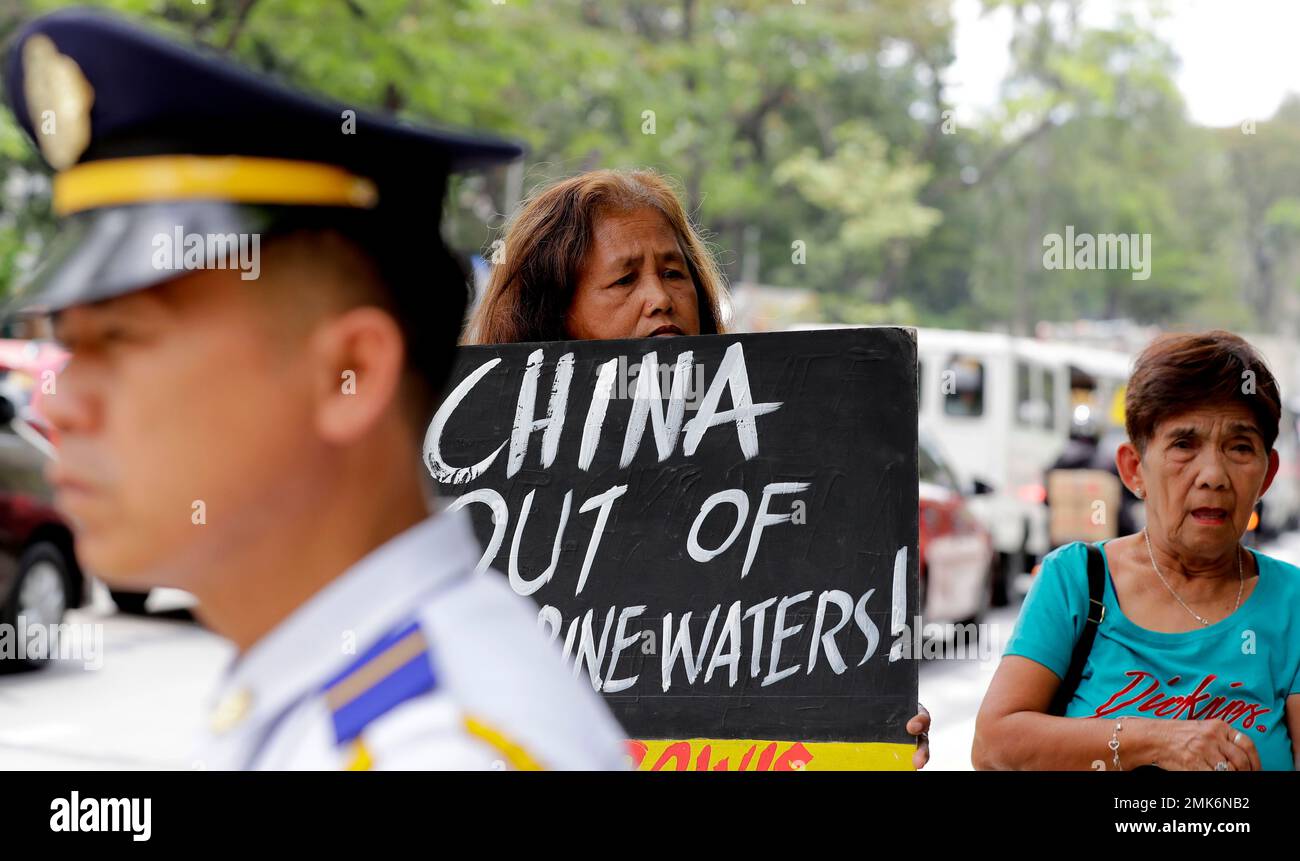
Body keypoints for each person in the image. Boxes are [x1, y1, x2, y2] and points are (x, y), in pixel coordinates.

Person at [3, 9, 627, 770]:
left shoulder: (430, 748)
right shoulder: (344, 685)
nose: (59, 404)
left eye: (121, 340)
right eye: (67, 345)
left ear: (351, 374)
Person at [466, 167, 933, 768]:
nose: (659, 298)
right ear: (555, 317)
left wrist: (869, 743)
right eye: (623, 280)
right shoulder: (494, 499)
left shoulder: (791, 469)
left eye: (672, 272)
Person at [973, 330, 1300, 771]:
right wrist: (1153, 740)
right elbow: (994, 746)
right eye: (1184, 445)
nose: (1213, 475)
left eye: (1240, 447)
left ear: (1267, 474)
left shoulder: (1292, 605)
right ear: (1133, 469)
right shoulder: (1076, 580)